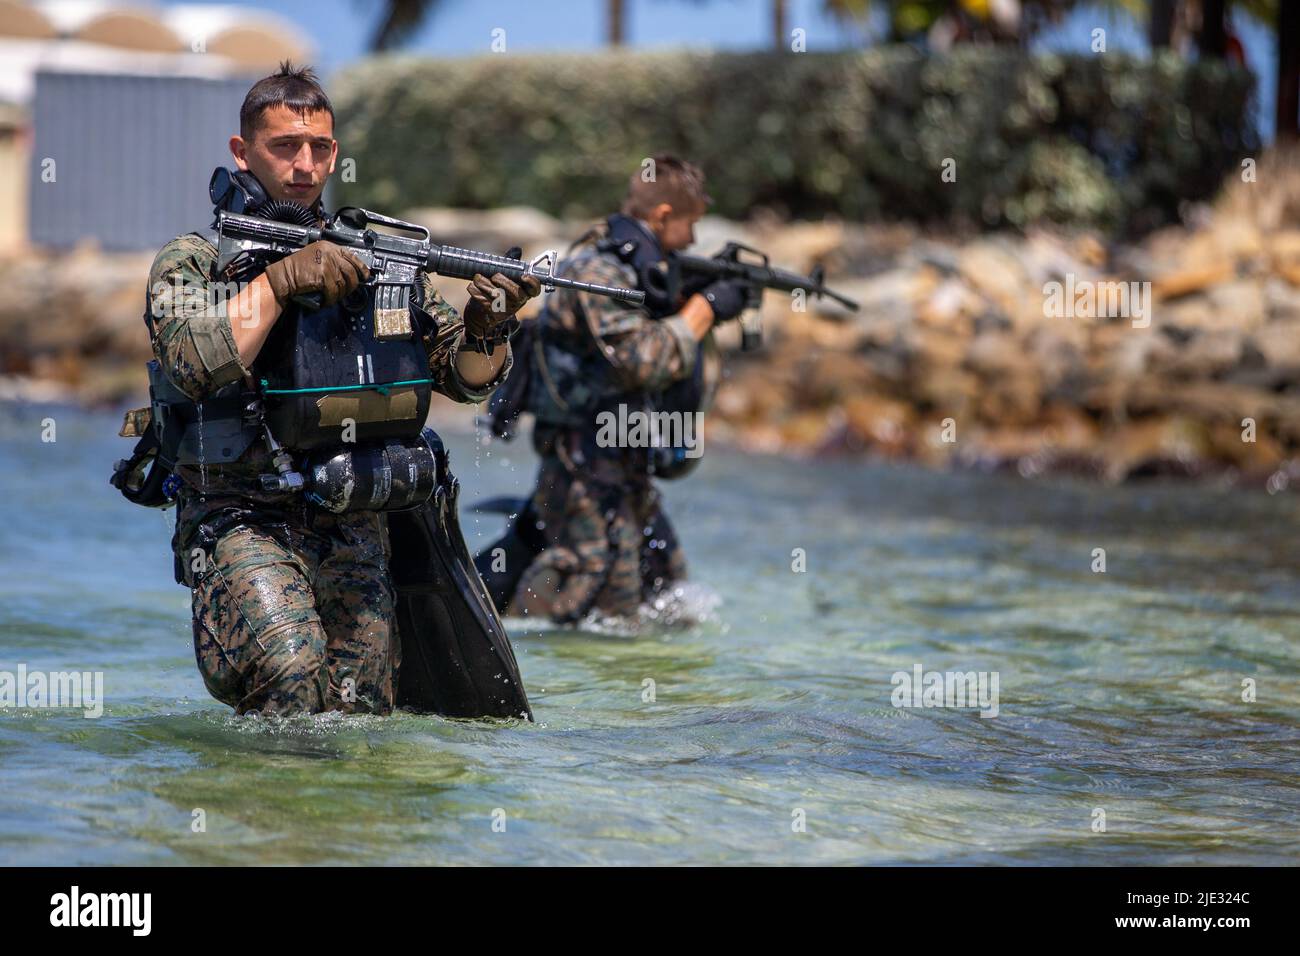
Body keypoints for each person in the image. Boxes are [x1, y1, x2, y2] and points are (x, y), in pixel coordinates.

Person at [116, 62, 539, 716]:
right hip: (239, 516)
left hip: (354, 518)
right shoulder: (196, 259)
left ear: (334, 153)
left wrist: (490, 326)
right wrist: (284, 281)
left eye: (318, 148)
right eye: (284, 146)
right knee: (290, 674)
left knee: (358, 718)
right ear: (243, 152)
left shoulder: (376, 259)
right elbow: (192, 362)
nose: (304, 164)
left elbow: (465, 380)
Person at [475, 155, 748, 624]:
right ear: (663, 215)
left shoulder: (645, 270)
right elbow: (644, 360)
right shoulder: (598, 271)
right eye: (692, 224)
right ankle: (497, 641)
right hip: (583, 472)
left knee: (674, 603)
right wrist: (705, 308)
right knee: (599, 615)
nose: (695, 239)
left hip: (626, 468)